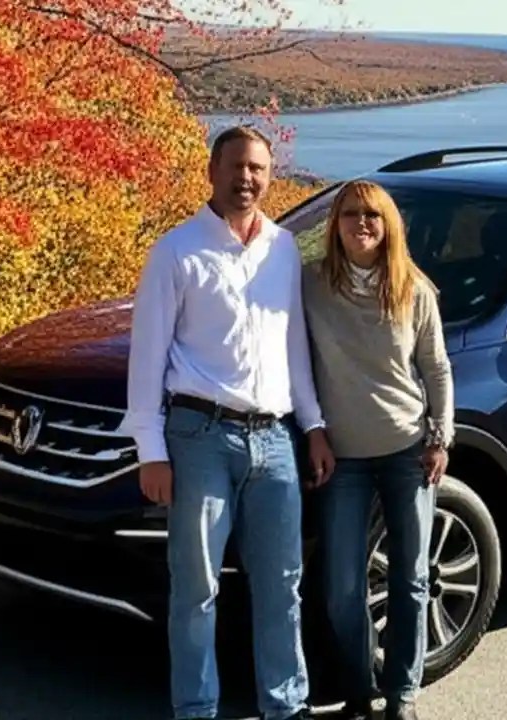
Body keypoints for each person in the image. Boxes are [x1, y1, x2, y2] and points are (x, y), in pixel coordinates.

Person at [118, 125, 335, 720]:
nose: (247, 178)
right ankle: (195, 708)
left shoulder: (283, 249)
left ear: (270, 176)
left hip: (275, 440)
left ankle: (285, 706)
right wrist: (150, 450)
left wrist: (312, 425)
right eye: (236, 166)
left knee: (281, 584)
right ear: (211, 172)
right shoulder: (176, 251)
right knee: (196, 588)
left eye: (258, 169)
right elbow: (148, 355)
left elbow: (295, 345)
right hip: (199, 438)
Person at [300, 180, 454, 720]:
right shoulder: (311, 285)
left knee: (410, 581)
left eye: (372, 215)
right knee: (342, 586)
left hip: (406, 452)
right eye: (349, 215)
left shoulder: (413, 289)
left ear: (389, 225)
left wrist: (440, 438)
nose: (360, 224)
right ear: (334, 225)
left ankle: (401, 695)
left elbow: (436, 368)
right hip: (341, 458)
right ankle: (359, 691)